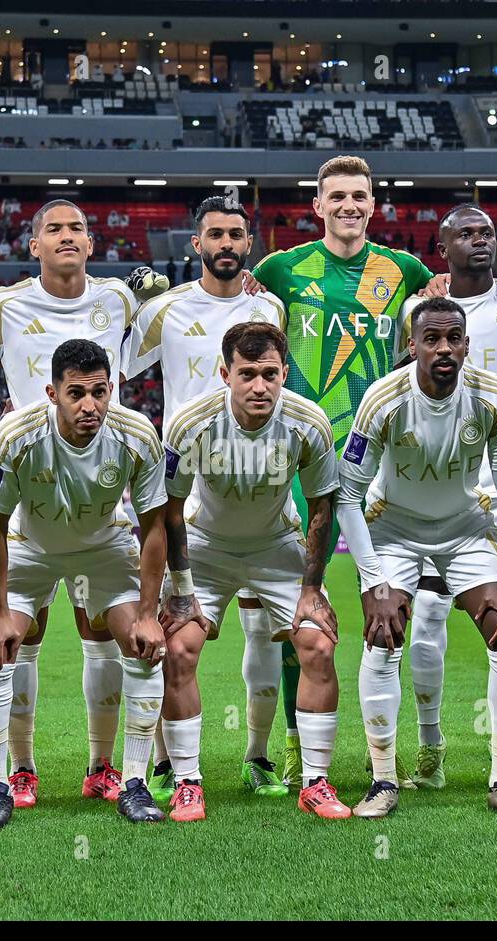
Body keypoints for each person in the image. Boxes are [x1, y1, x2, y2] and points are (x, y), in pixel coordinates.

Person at [0, 200, 167, 809]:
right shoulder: (5, 305)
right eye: (53, 229)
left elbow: (167, 342)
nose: (66, 237)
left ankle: (108, 770)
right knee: (19, 638)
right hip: (30, 486)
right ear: (34, 244)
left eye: (76, 229)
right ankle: (18, 771)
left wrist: (229, 287)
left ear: (91, 243)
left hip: (101, 497)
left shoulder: (120, 299)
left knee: (106, 636)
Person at [249, 154, 447, 787]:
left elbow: (432, 310)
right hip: (302, 456)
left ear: (373, 203)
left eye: (359, 195)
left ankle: (382, 753)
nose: (349, 206)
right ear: (318, 205)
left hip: (375, 456)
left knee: (384, 597)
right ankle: (292, 742)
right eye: (337, 196)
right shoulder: (280, 269)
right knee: (296, 606)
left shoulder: (403, 269)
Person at [338, 298, 497, 817]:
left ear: (467, 345)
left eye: (454, 339)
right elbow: (346, 497)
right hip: (394, 528)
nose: (443, 348)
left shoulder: (492, 398)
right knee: (383, 638)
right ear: (413, 345)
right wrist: (374, 580)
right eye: (432, 339)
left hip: (466, 529)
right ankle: (383, 779)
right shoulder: (383, 399)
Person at [124, 195, 289, 801]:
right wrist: (140, 307)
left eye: (236, 235)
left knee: (263, 629)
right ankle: (169, 765)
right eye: (214, 234)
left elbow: (276, 370)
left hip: (258, 479)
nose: (226, 244)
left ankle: (258, 755)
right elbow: (125, 368)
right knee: (175, 628)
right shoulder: (167, 309)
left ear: (249, 244)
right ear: (196, 243)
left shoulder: (267, 305)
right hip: (183, 489)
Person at [0, 339, 169, 826]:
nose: (90, 406)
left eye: (100, 392)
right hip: (30, 547)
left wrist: (147, 613)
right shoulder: (16, 433)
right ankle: (5, 780)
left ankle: (126, 779)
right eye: (76, 393)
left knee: (143, 646)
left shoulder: (136, 434)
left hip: (103, 549)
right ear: (51, 392)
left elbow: (156, 526)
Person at [160, 322, 346, 821]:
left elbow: (323, 507)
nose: (259, 386)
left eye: (270, 374)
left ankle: (315, 782)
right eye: (247, 374)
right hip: (206, 546)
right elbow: (170, 509)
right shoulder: (190, 423)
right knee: (178, 645)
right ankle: (186, 783)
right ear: (225, 374)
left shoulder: (309, 422)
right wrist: (180, 589)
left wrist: (311, 589)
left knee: (317, 643)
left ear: (285, 373)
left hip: (275, 544)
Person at [395, 204, 497, 791]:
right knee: (428, 616)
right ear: (444, 245)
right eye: (466, 233)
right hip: (439, 481)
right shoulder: (418, 309)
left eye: (487, 233)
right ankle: (430, 747)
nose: (479, 241)